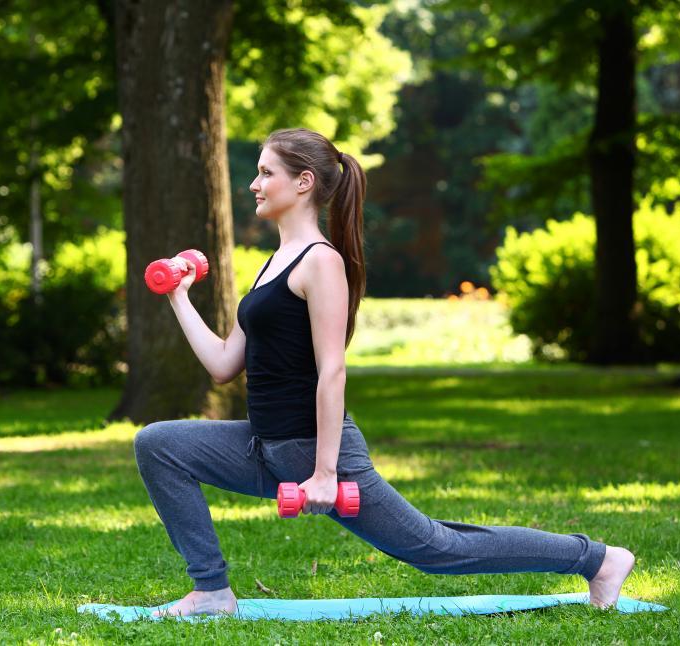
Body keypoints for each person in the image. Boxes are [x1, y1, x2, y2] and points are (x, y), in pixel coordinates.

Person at [134, 127, 635, 618]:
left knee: (436, 548)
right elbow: (224, 364)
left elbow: (332, 370)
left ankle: (598, 559)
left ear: (304, 182)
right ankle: (211, 590)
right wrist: (179, 297)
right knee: (158, 444)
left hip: (313, 448)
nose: (254, 184)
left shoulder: (320, 262)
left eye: (266, 173)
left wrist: (325, 473)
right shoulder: (274, 263)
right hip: (264, 446)